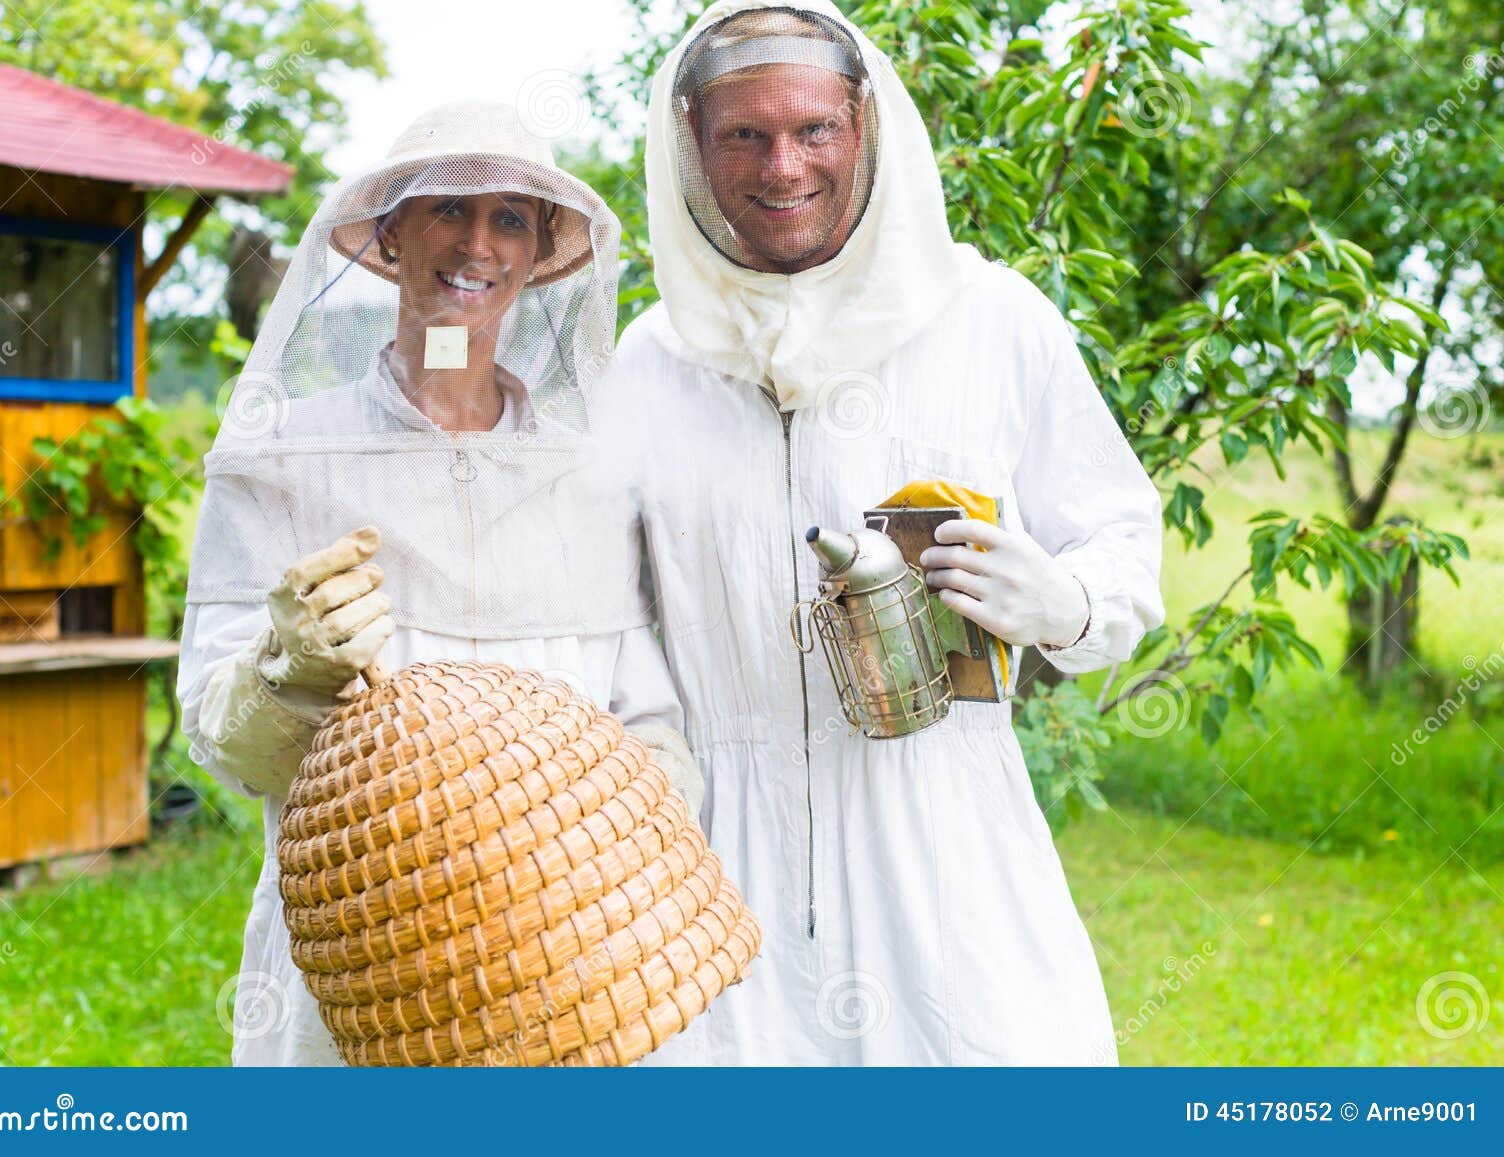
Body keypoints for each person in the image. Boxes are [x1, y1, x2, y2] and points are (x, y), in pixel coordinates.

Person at [603, 0, 1166, 1064]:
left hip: (946, 848)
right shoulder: (648, 361)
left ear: (863, 124)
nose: (782, 167)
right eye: (743, 134)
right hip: (713, 871)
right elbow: (608, 609)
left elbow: (1122, 544)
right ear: (690, 140)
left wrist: (1069, 602)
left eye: (812, 128)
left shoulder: (992, 320)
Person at [178, 101, 702, 1067]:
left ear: (539, 254)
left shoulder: (590, 474)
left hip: (563, 964)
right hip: (351, 957)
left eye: (510, 219)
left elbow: (649, 719)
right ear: (390, 235)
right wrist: (284, 670)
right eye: (448, 209)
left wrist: (616, 840)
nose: (477, 244)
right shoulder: (288, 455)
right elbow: (219, 738)